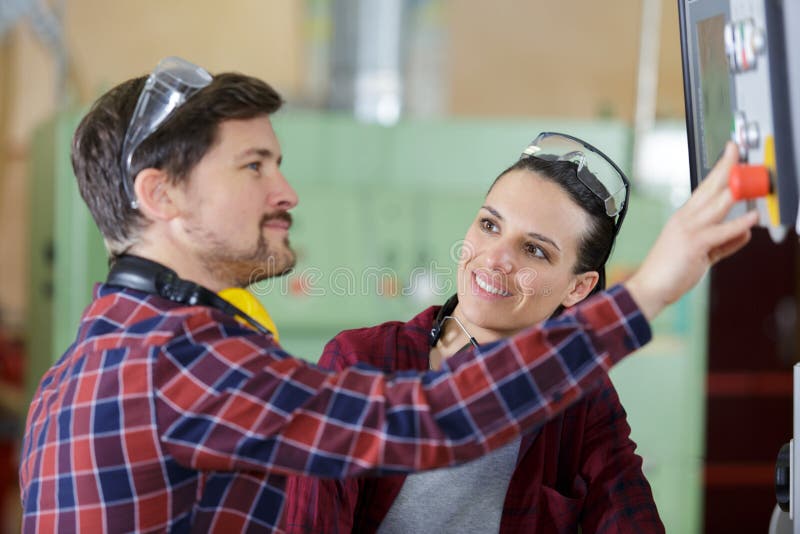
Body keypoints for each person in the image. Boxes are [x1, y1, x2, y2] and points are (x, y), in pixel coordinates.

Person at [18, 57, 755, 533]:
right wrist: (653, 287)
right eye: (252, 167)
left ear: (577, 283)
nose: (287, 191)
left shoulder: (117, 359)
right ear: (162, 195)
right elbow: (432, 420)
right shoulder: (176, 363)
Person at [284, 133, 665, 533]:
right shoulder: (362, 361)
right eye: (489, 225)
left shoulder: (582, 398)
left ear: (578, 287)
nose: (496, 258)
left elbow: (629, 514)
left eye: (535, 250)